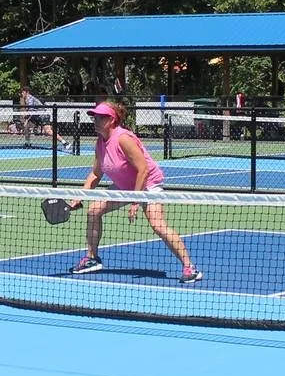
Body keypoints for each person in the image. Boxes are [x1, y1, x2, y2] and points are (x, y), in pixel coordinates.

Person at [67, 100, 202, 283]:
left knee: (157, 224)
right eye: (94, 117)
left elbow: (143, 169)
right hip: (124, 186)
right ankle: (92, 259)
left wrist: (135, 201)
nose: (95, 121)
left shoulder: (123, 138)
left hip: (148, 185)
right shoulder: (100, 143)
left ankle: (189, 268)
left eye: (100, 118)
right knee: (93, 211)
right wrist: (80, 196)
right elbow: (96, 174)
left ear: (111, 120)